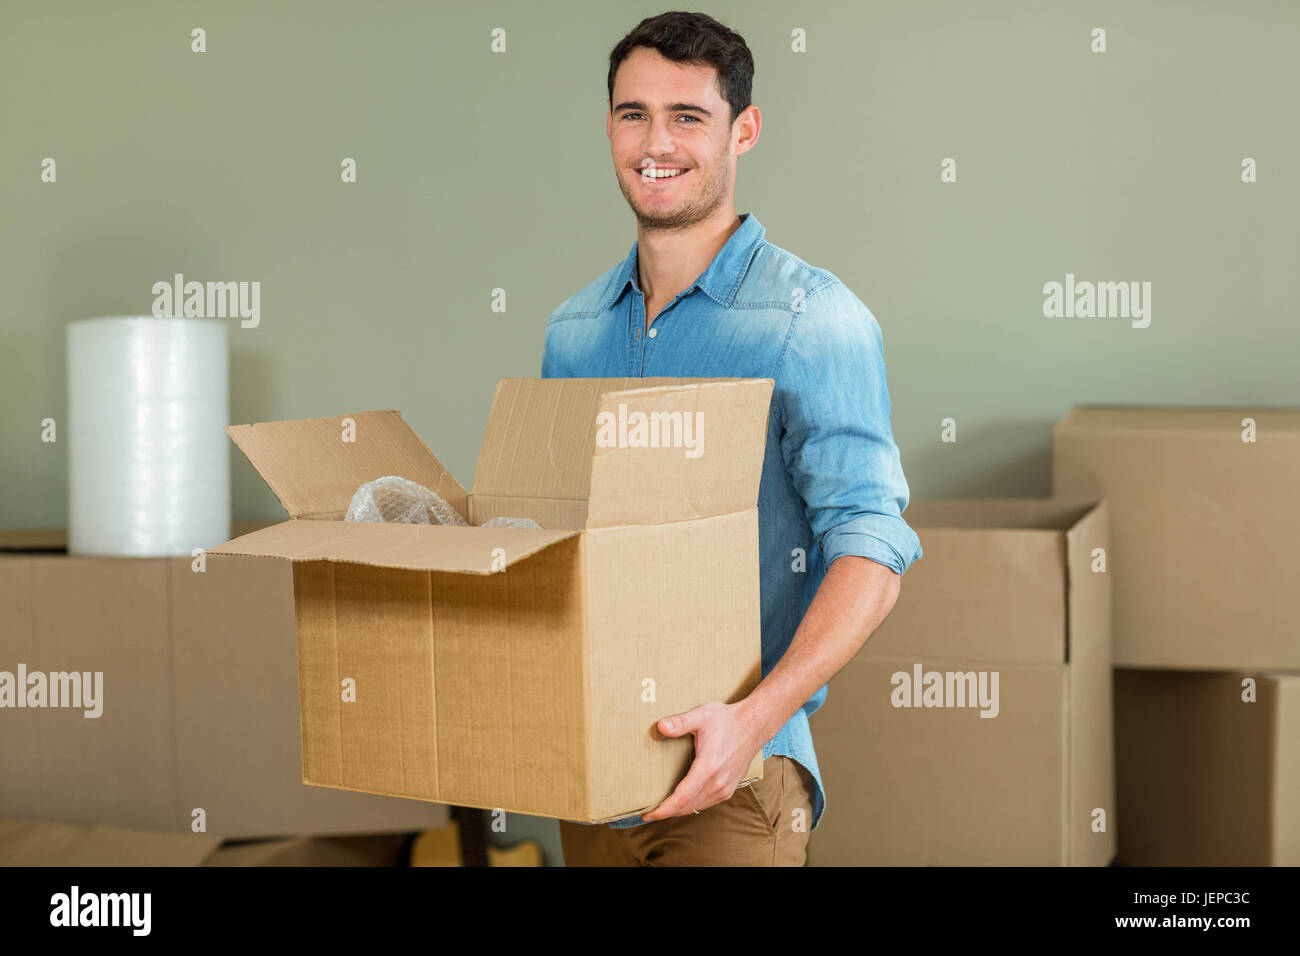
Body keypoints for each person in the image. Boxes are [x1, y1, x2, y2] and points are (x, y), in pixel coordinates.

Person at [542, 10, 922, 866]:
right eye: (634, 113)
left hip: (737, 781)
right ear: (609, 127)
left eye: (688, 116)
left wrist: (754, 719)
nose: (656, 142)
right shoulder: (573, 332)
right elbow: (565, 542)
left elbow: (871, 547)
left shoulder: (810, 320)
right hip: (592, 776)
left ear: (742, 130)